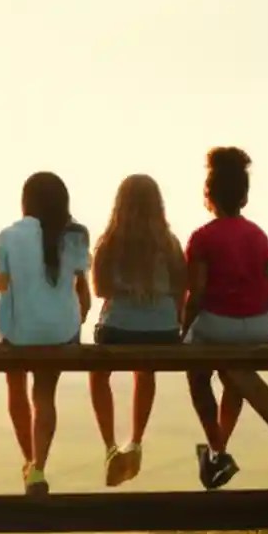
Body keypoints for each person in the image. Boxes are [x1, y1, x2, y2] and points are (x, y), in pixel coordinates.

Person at [182, 148, 268, 490]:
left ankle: (217, 447)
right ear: (245, 196)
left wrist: (183, 328)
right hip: (259, 325)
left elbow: (197, 293)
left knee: (198, 374)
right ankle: (219, 450)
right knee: (236, 377)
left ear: (208, 195)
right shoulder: (260, 236)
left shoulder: (202, 237)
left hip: (218, 322)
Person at [0, 172, 91, 497]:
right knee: (44, 395)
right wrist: (71, 322)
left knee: (15, 387)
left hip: (19, 332)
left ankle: (29, 462)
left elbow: (3, 289)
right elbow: (85, 296)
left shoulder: (9, 236)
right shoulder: (77, 235)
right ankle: (39, 465)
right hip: (61, 332)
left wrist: (8, 327)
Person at [90, 175, 187, 487]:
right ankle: (136, 440)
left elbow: (100, 290)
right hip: (163, 330)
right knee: (144, 371)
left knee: (98, 373)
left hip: (117, 327)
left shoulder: (109, 242)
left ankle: (110, 446)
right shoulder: (170, 244)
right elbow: (180, 289)